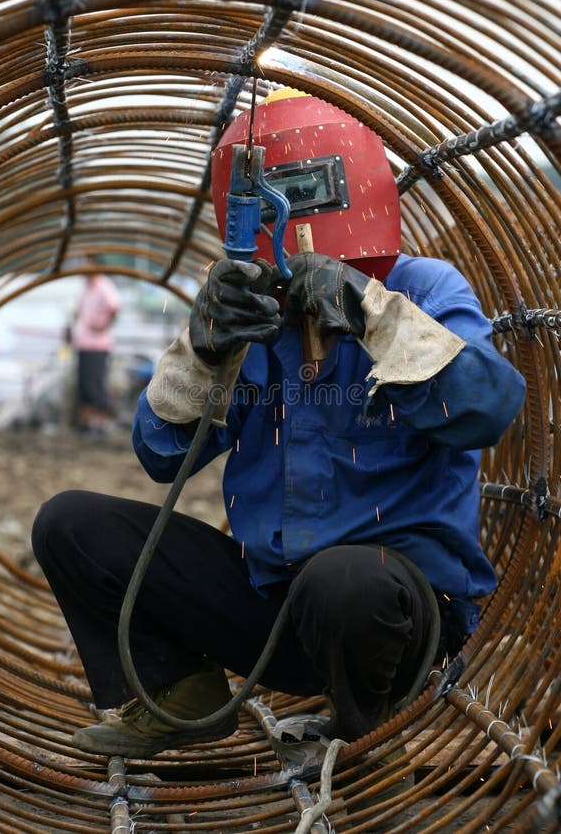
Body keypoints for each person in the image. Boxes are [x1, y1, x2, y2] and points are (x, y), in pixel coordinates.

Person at [32, 91, 526, 759]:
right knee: (70, 523)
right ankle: (180, 693)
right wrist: (204, 349)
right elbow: (159, 455)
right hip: (277, 610)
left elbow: (487, 410)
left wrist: (372, 314)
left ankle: (366, 729)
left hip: (391, 616)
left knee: (344, 580)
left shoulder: (425, 291)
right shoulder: (252, 321)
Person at [71, 254, 121, 433]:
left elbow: (115, 307)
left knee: (95, 385)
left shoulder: (103, 285)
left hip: (98, 345)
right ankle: (86, 423)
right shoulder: (87, 288)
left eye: (87, 263)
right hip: (84, 343)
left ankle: (102, 422)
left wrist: (102, 325)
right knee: (84, 385)